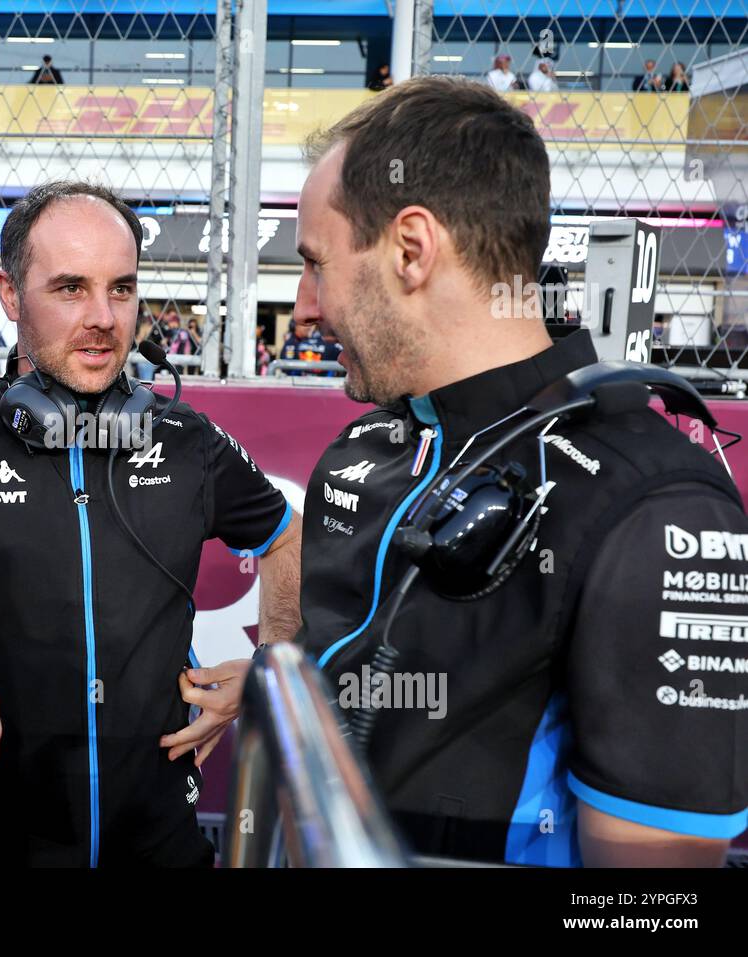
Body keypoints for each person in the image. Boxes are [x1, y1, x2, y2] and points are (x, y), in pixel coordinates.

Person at [293, 75, 748, 867]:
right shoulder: (363, 449)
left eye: (314, 264)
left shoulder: (657, 508)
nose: (303, 306)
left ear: (410, 249)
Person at [0, 180, 303, 867]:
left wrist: (271, 670)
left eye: (121, 288)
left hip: (164, 848)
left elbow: (285, 537)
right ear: (10, 292)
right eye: (71, 288)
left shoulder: (187, 441)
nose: (104, 317)